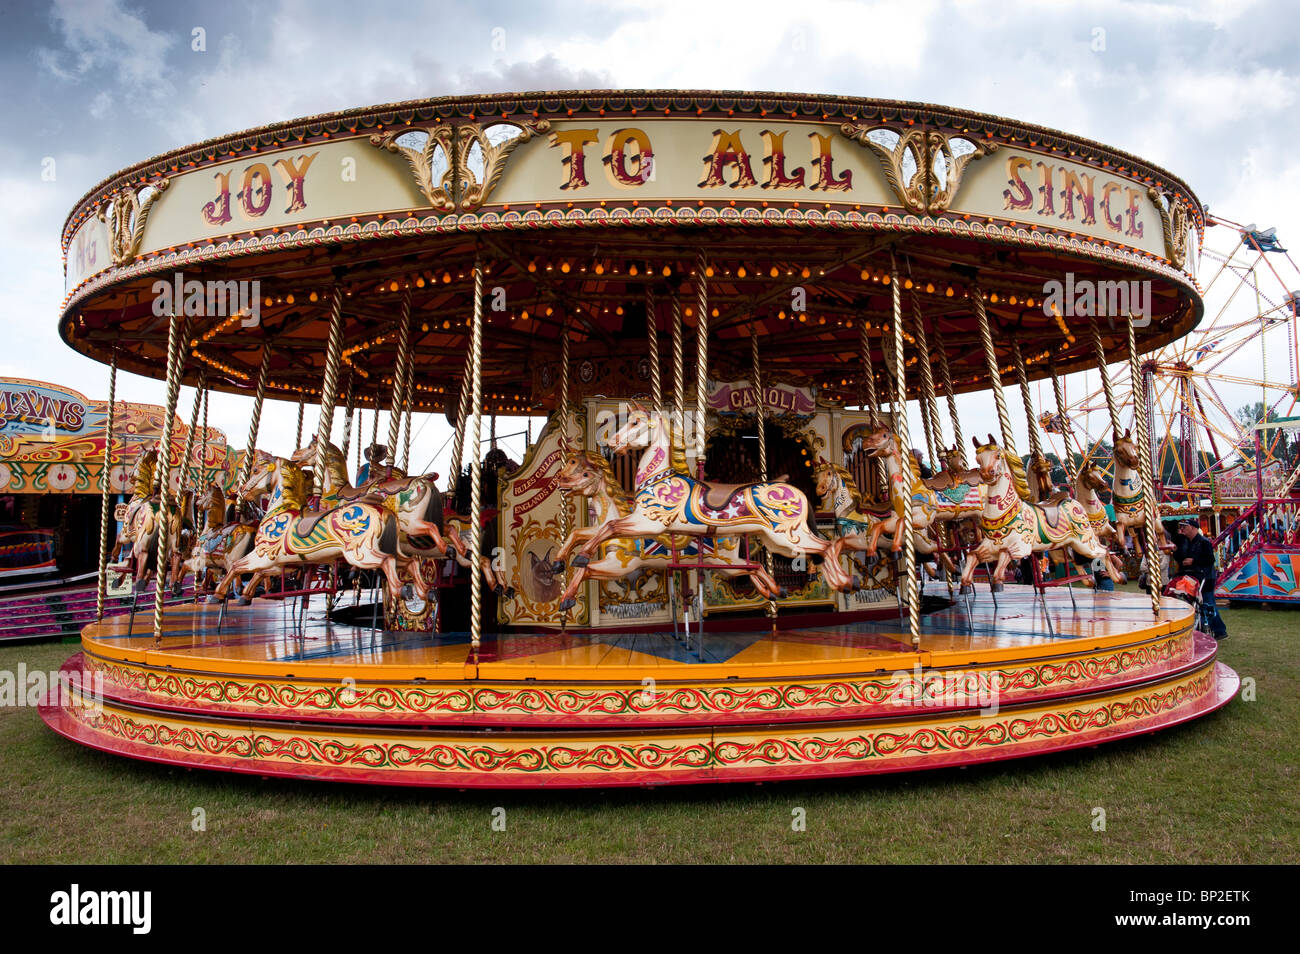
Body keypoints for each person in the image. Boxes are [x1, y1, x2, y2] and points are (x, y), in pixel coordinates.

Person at [1172, 519, 1228, 639]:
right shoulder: (1185, 542)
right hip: (1191, 577)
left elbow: (1210, 560)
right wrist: (1176, 552)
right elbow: (1180, 558)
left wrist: (1193, 561)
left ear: (1193, 528)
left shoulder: (1204, 542)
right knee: (1195, 604)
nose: (1183, 530)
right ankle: (1201, 628)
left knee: (1207, 604)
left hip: (1205, 577)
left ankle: (1219, 630)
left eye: (1185, 527)